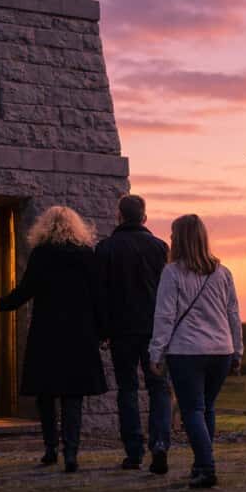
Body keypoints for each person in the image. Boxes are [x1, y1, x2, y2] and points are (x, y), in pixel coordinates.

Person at [0, 206, 107, 473]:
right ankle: (72, 453)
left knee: (46, 394)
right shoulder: (86, 255)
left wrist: (1, 304)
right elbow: (99, 296)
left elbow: (26, 289)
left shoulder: (42, 254)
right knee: (73, 397)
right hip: (80, 334)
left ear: (45, 225)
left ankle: (51, 448)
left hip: (47, 332)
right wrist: (102, 331)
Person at [149, 214, 243, 489]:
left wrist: (156, 353)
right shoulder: (223, 272)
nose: (169, 239)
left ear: (179, 239)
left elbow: (165, 316)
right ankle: (201, 463)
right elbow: (233, 315)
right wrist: (237, 350)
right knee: (206, 408)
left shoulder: (173, 272)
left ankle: (206, 466)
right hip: (221, 351)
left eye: (172, 234)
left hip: (187, 350)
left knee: (192, 410)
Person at [95, 195, 171, 473]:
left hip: (121, 331)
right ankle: (160, 443)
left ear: (119, 216)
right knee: (159, 388)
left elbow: (100, 295)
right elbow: (168, 294)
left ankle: (134, 453)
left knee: (127, 390)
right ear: (144, 217)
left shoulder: (105, 249)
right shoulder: (160, 248)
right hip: (155, 332)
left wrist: (102, 330)